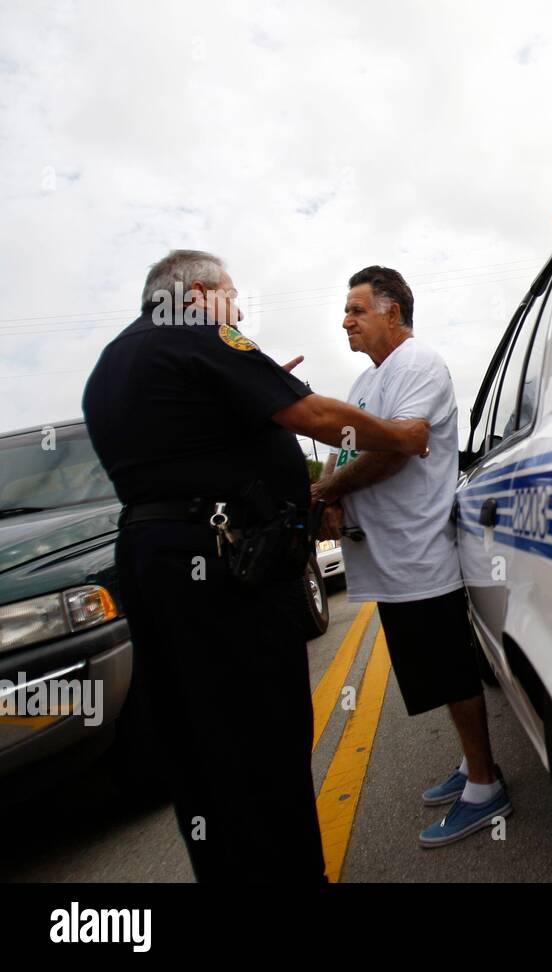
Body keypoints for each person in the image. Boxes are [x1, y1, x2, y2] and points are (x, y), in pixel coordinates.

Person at [82, 249, 428, 882]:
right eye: (232, 296)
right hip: (221, 567)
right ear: (198, 293)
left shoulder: (111, 364)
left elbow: (185, 442)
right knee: (263, 732)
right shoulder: (200, 330)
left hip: (151, 560)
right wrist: (402, 437)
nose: (237, 311)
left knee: (198, 743)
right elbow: (318, 418)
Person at [312, 265, 508, 848]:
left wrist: (330, 491)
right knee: (438, 678)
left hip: (420, 556)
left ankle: (485, 784)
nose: (346, 321)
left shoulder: (417, 364)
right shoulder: (366, 383)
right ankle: (473, 763)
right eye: (346, 312)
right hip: (390, 561)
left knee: (451, 671)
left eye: (357, 310)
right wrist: (329, 481)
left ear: (392, 312)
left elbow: (400, 448)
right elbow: (344, 447)